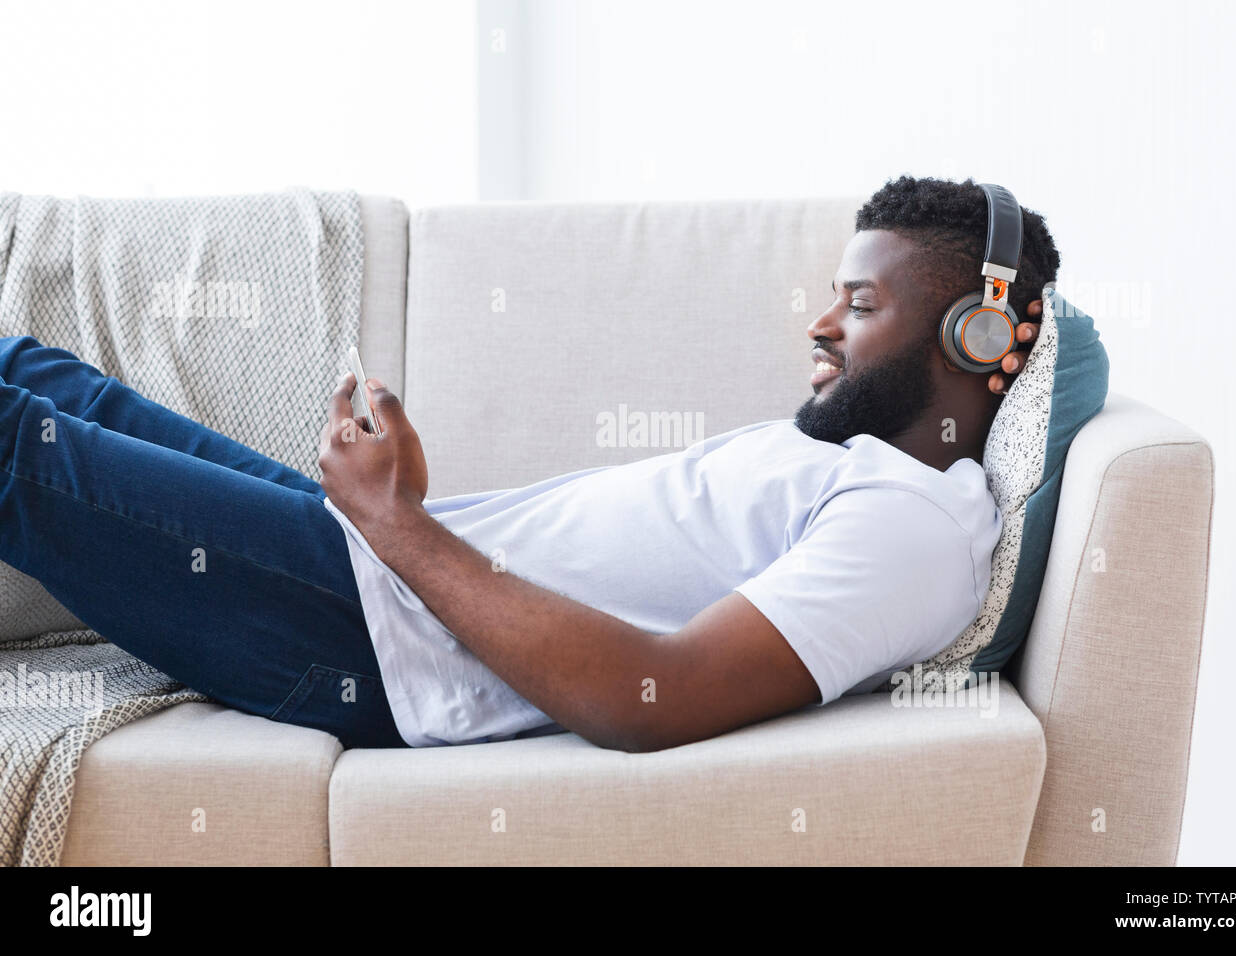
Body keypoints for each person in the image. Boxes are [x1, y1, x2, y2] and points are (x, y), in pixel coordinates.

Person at [0, 176, 1058, 752]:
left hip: (364, 635)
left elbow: (654, 696)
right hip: (379, 568)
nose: (822, 324)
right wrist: (399, 515)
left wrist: (397, 526)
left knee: (14, 445)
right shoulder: (861, 468)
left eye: (861, 305)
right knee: (40, 378)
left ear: (976, 337)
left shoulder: (915, 528)